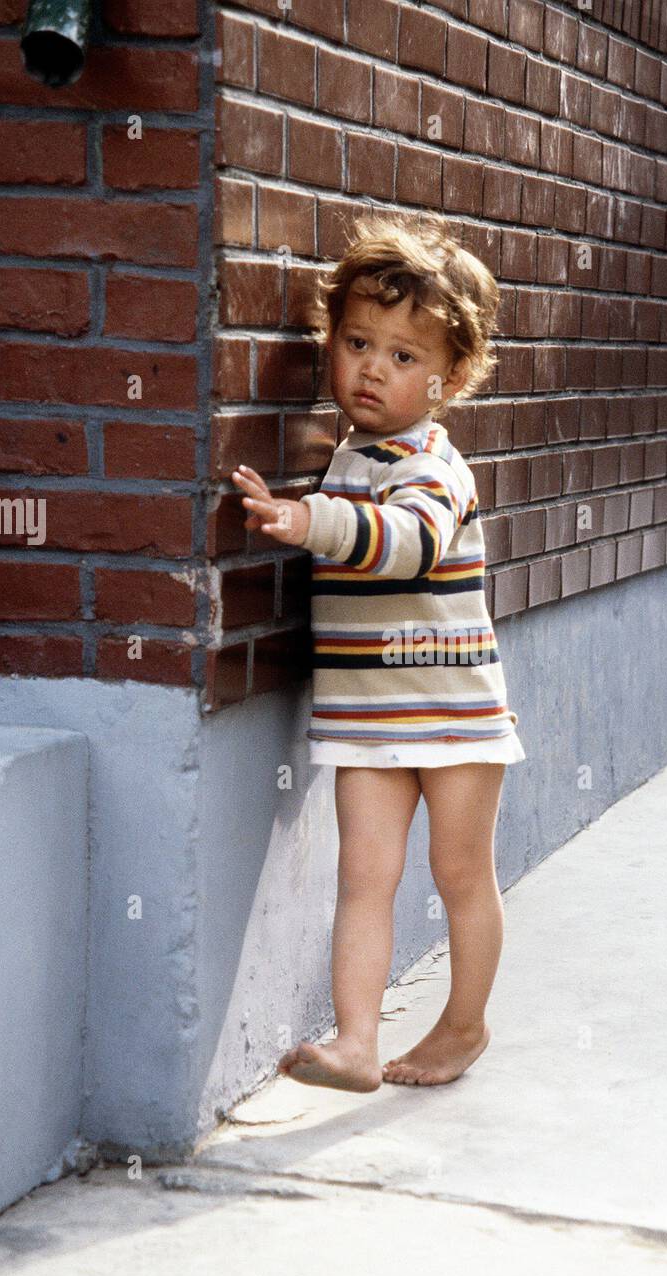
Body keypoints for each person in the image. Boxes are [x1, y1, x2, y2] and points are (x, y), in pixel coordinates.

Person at [232, 211, 525, 1092]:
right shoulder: (348, 458)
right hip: (365, 714)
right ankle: (356, 1043)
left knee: (460, 871)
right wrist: (316, 506)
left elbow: (408, 544)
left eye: (404, 357)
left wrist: (303, 520)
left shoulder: (434, 465)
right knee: (363, 877)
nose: (372, 368)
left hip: (455, 711)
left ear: (450, 378)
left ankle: (463, 1025)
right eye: (358, 341)